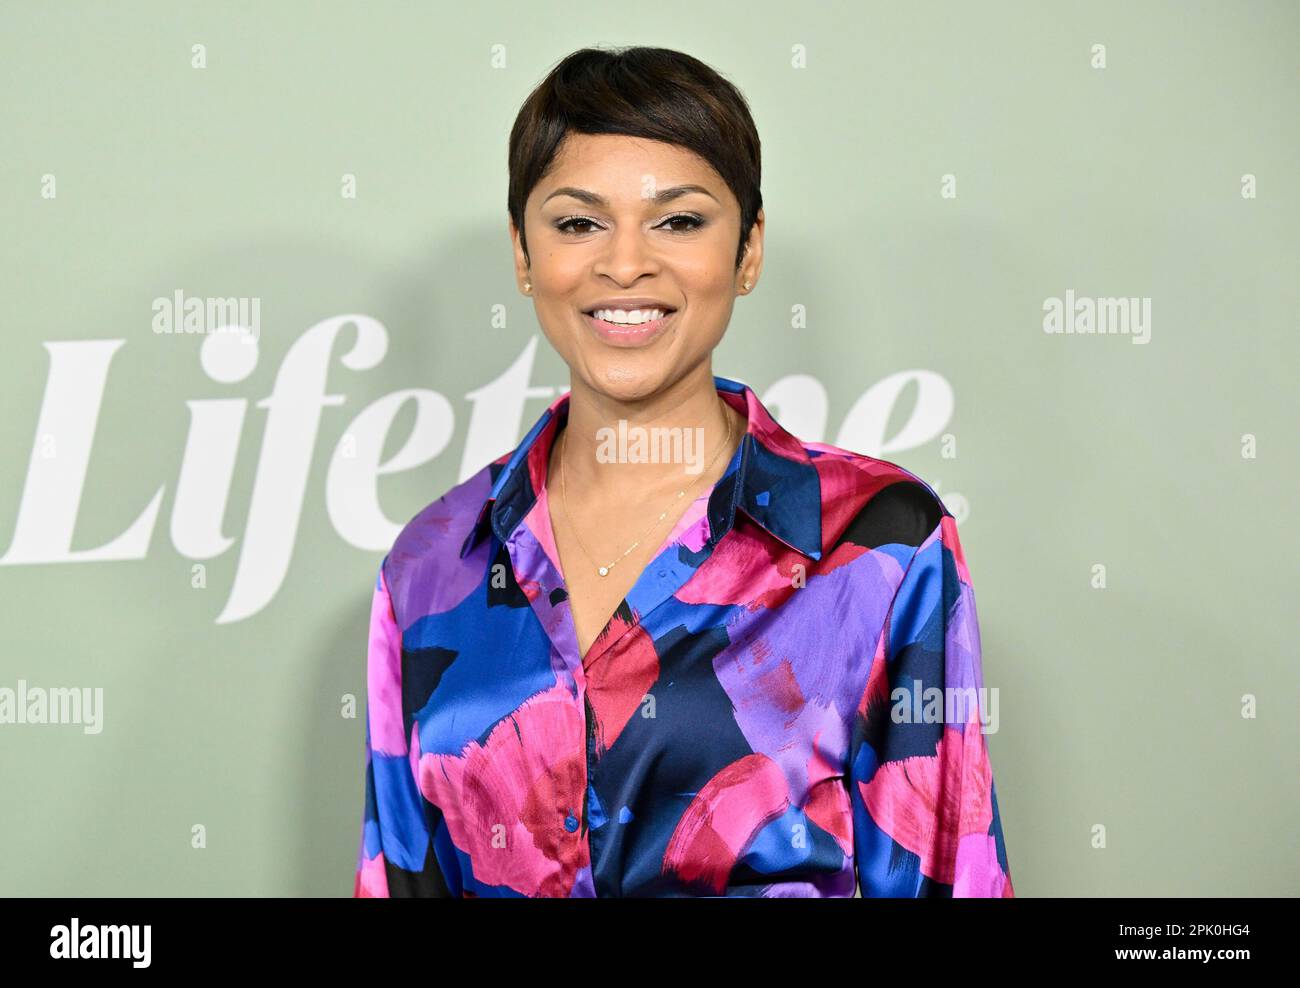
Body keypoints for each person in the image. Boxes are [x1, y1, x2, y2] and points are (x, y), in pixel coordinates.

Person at [354, 45, 1013, 897]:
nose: (625, 264)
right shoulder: (432, 559)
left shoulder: (881, 543)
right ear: (522, 255)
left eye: (679, 221)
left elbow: (953, 877)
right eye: (578, 222)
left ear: (748, 250)